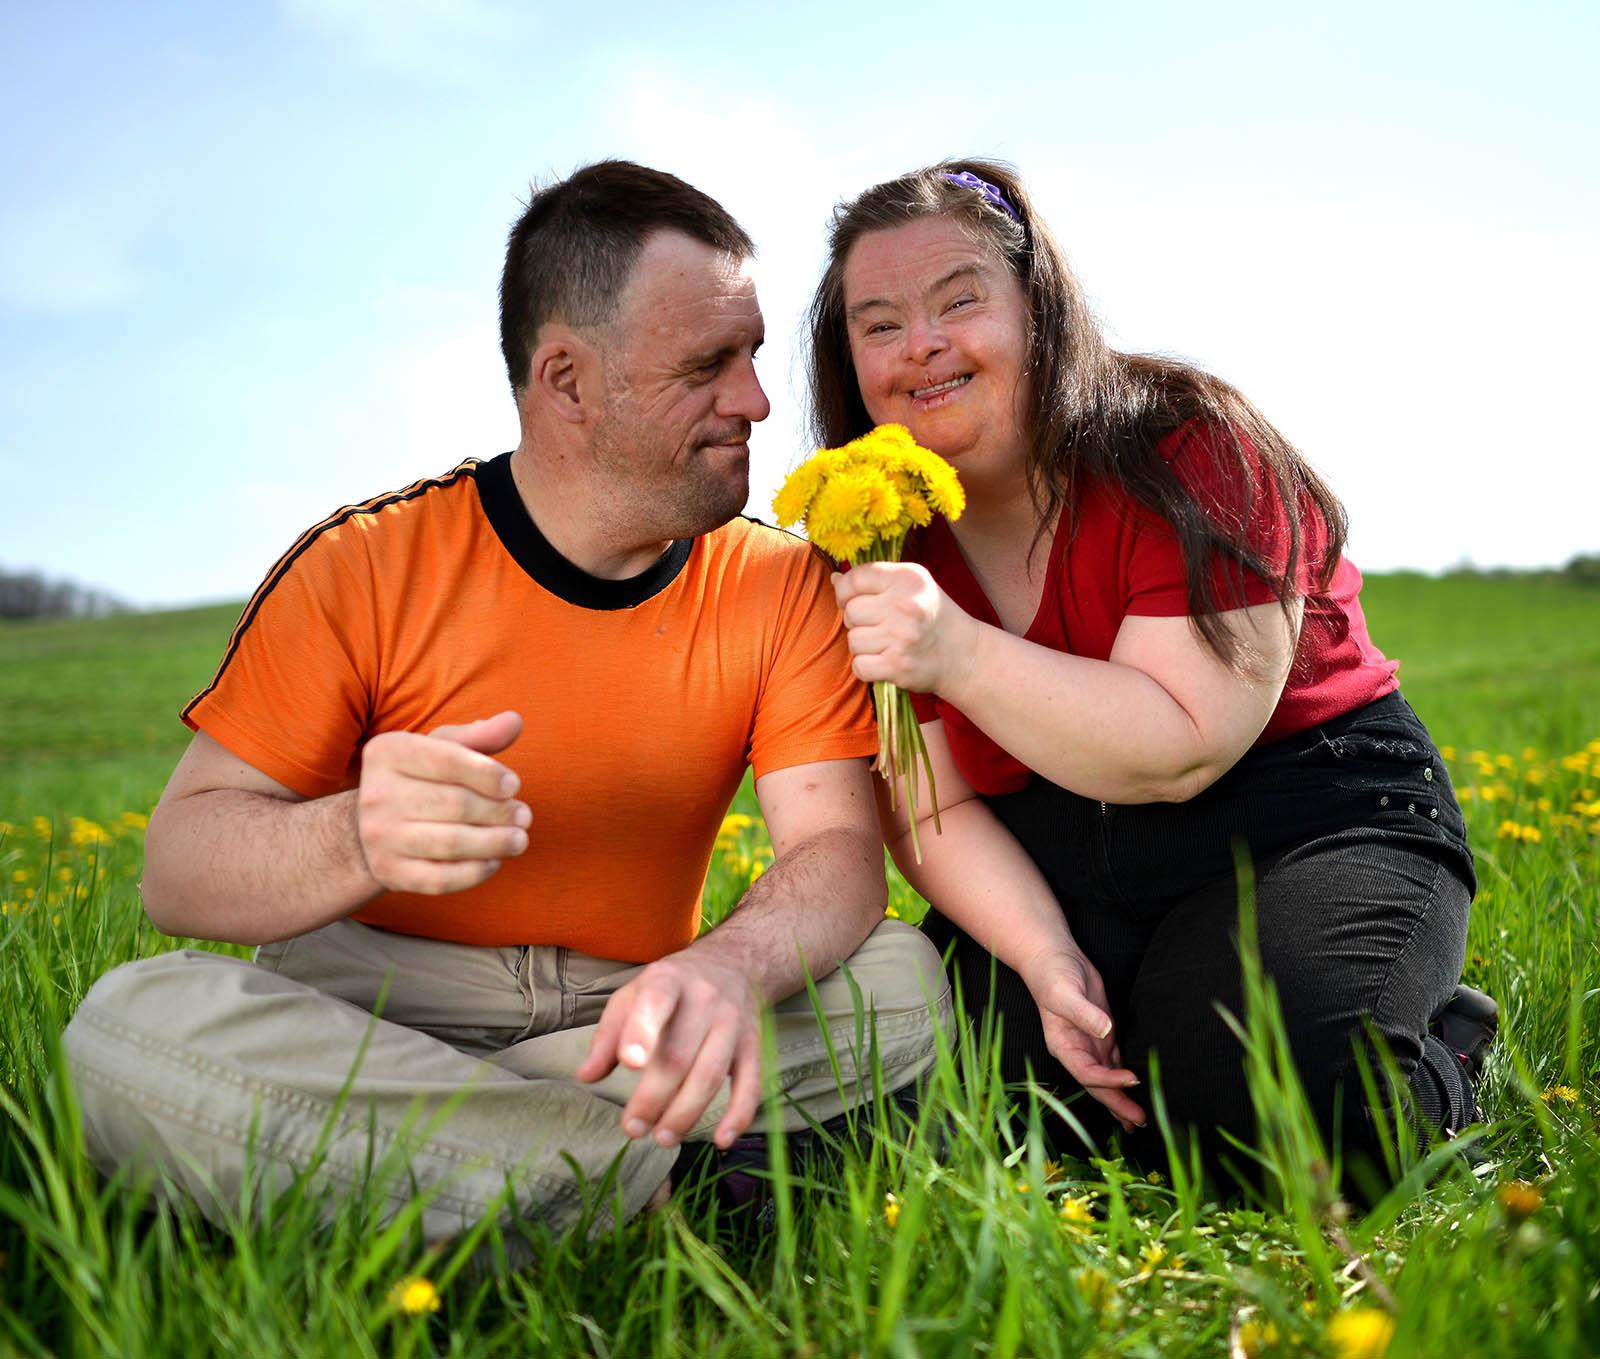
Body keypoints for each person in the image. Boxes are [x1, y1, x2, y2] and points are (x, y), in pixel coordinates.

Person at [63, 160, 947, 1244]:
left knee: (900, 979)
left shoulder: (780, 584)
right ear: (567, 381)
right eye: (708, 365)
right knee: (128, 1025)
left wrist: (721, 969)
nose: (757, 402)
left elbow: (836, 856)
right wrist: (355, 836)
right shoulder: (363, 564)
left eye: (753, 355)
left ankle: (479, 1182)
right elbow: (178, 872)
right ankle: (637, 1181)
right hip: (365, 1020)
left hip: (626, 1018)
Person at [807, 159, 1494, 1171]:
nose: (923, 345)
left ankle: (1447, 1053)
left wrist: (951, 650)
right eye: (878, 324)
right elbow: (928, 805)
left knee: (1279, 1113)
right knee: (994, 1125)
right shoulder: (870, 533)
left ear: (1039, 312)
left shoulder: (1190, 447)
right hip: (1052, 849)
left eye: (961, 302)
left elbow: (1181, 746)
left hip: (1298, 811)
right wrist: (1044, 958)